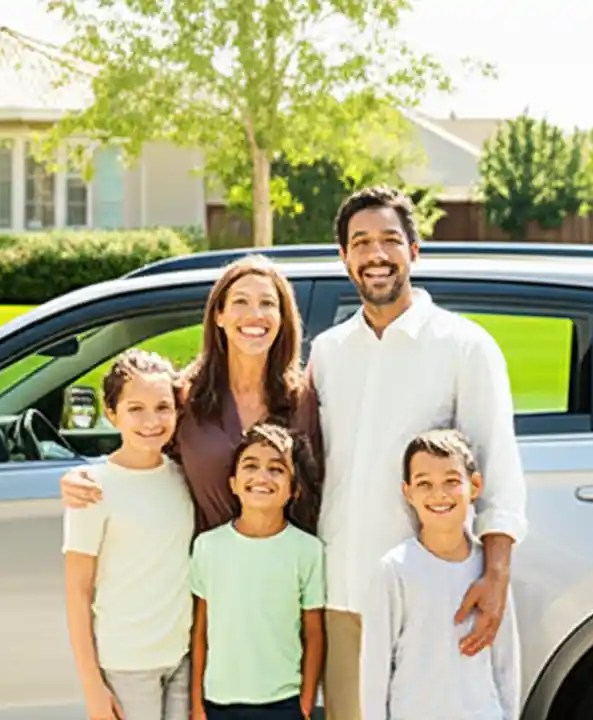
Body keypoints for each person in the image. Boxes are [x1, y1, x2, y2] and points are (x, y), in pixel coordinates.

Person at [307, 186, 528, 720]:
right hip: (347, 592)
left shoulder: (464, 346)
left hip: (436, 596)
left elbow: (497, 469)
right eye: (361, 243)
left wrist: (495, 575)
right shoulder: (328, 352)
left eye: (389, 240)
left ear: (414, 250)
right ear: (343, 257)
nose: (375, 255)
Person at [59, 254, 324, 537]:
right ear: (218, 315)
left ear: (282, 318)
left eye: (268, 303)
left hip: (283, 572)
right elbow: (141, 456)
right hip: (199, 572)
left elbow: (320, 491)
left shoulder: (302, 399)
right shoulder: (186, 396)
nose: (255, 314)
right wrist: (86, 477)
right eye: (241, 301)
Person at [63, 349, 196, 720]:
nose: (151, 420)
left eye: (163, 407)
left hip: (181, 658)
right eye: (135, 408)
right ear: (111, 414)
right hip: (126, 664)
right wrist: (93, 689)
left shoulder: (182, 476)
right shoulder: (93, 488)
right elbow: (77, 591)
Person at [360, 429, 520, 720]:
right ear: (408, 492)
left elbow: (506, 663)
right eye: (424, 484)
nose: (439, 494)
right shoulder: (394, 570)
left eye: (451, 481)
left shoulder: (490, 572)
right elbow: (375, 669)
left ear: (474, 486)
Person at [190, 421, 325, 720]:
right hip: (218, 702)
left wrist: (304, 703)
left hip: (283, 703)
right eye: (250, 466)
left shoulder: (307, 550)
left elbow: (314, 632)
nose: (262, 476)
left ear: (294, 489)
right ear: (233, 484)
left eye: (276, 469)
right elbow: (200, 630)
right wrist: (197, 703)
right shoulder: (208, 547)